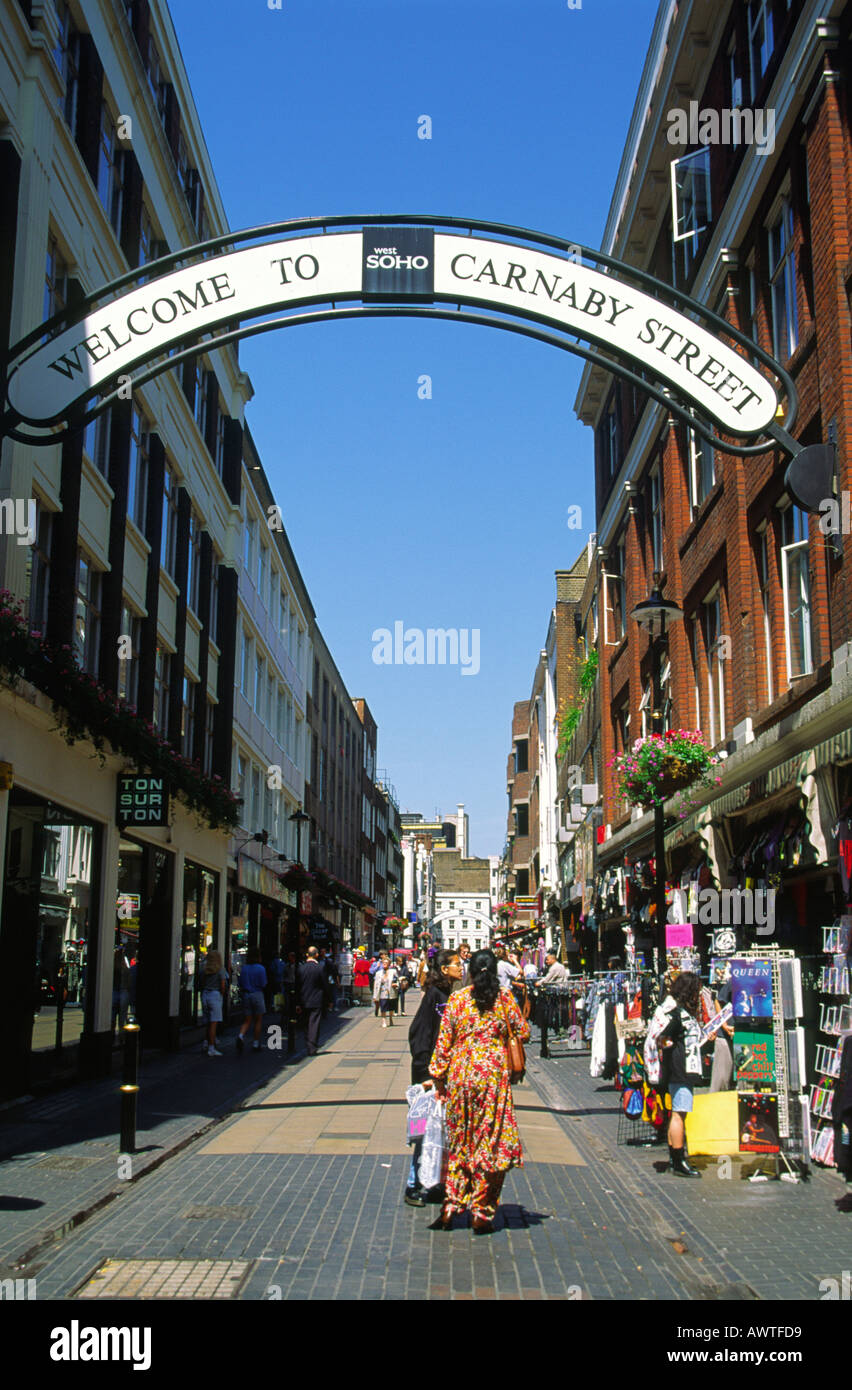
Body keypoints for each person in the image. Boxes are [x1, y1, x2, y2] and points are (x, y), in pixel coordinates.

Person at [429, 948, 530, 1232]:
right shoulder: (505, 998)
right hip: (493, 1078)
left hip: (461, 1076)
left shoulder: (458, 999)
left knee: (461, 1141)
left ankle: (451, 1207)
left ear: (470, 972)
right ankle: (481, 1212)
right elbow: (523, 1032)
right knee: (490, 1142)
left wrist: (438, 1077)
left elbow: (443, 1041)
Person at [404, 948, 463, 1207]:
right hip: (427, 1074)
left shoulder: (445, 994)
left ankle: (435, 1182)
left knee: (438, 1130)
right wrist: (425, 1072)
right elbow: (420, 1032)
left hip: (437, 1073)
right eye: (457, 964)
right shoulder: (437, 997)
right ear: (443, 969)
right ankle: (412, 1185)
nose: (461, 968)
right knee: (422, 1131)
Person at [656, 971, 711, 1178]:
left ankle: (675, 1158)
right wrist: (670, 1046)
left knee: (677, 1113)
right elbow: (663, 1038)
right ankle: (679, 1161)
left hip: (683, 1067)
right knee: (680, 1113)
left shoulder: (684, 1014)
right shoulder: (678, 1014)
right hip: (681, 1070)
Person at [296, 945, 329, 1056]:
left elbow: (297, 986)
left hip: (303, 999)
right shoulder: (320, 968)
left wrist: (297, 1002)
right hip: (316, 999)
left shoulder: (301, 968)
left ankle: (308, 1043)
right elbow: (325, 985)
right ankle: (312, 1046)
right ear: (316, 955)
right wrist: (328, 1000)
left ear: (307, 955)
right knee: (314, 1023)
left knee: (305, 1023)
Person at [236, 949, 267, 1053]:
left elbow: (240, 983)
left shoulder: (244, 968)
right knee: (258, 1020)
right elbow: (263, 983)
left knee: (247, 1020)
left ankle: (240, 1035)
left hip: (246, 995)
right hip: (257, 994)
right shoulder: (261, 968)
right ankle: (256, 1043)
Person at [200, 950, 228, 1057]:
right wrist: (221, 995)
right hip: (215, 995)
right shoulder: (220, 970)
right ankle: (211, 1047)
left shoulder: (204, 969)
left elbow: (201, 983)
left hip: (205, 994)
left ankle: (206, 1042)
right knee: (213, 1023)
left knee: (207, 1022)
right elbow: (222, 985)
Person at [373, 952, 399, 1027]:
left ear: (389, 964)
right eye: (383, 963)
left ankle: (390, 1018)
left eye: (386, 963)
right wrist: (375, 996)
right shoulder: (378, 973)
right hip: (382, 992)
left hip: (391, 992)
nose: (384, 964)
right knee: (383, 1007)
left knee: (391, 1007)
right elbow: (376, 985)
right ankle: (384, 1021)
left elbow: (397, 980)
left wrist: (396, 984)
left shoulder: (393, 971)